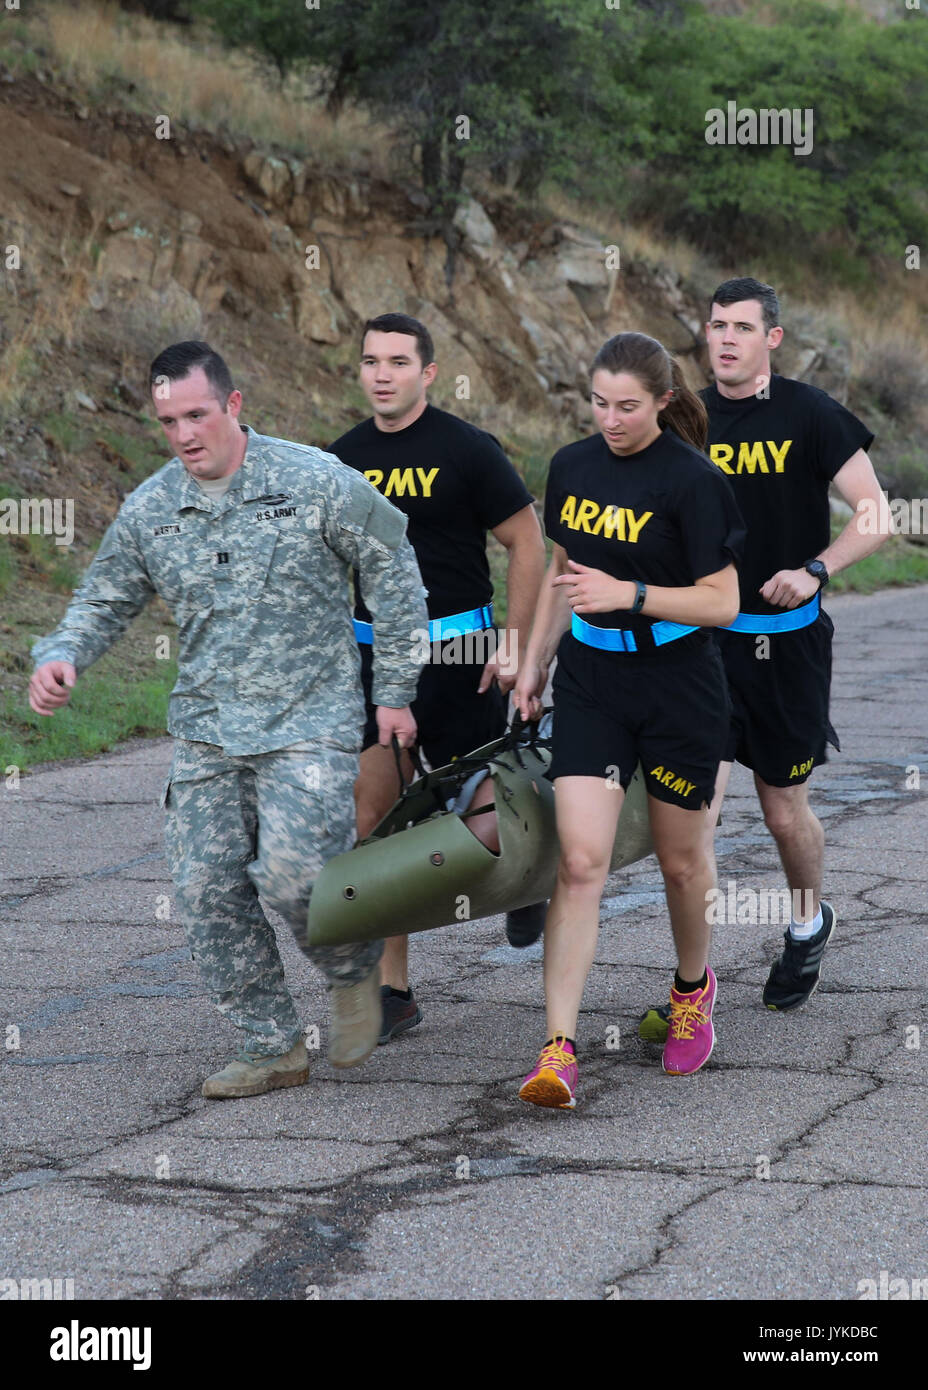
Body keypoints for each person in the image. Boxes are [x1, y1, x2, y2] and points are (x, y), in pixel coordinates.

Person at [28, 341, 428, 1099]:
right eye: (169, 420)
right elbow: (105, 598)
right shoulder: (152, 508)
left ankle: (352, 972)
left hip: (308, 719)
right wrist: (63, 655)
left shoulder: (314, 481)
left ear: (234, 405)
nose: (184, 434)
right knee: (206, 887)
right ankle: (271, 1045)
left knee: (292, 878)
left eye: (198, 415)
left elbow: (391, 564)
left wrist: (397, 687)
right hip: (208, 728)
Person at [639, 278, 888, 1040]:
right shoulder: (684, 416)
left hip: (787, 646)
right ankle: (692, 992)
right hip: (702, 646)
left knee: (783, 811)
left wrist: (816, 569)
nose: (725, 339)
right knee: (694, 817)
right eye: (716, 326)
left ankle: (808, 923)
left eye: (742, 327)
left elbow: (876, 514)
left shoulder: (809, 414)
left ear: (771, 339)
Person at [513, 332, 746, 1108]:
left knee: (682, 863)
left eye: (627, 407)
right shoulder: (573, 465)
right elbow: (560, 573)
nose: (610, 420)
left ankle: (690, 990)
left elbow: (723, 602)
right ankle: (558, 1050)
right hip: (592, 681)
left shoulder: (695, 481)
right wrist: (535, 662)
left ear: (664, 402)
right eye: (599, 404)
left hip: (679, 684)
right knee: (582, 863)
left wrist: (632, 595)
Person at [329, 313, 546, 1044]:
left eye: (397, 361)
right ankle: (394, 992)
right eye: (370, 361)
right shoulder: (340, 458)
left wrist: (513, 644)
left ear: (427, 372)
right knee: (375, 824)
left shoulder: (466, 448)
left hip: (460, 656)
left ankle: (530, 883)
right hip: (371, 659)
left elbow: (525, 542)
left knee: (486, 822)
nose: (381, 373)